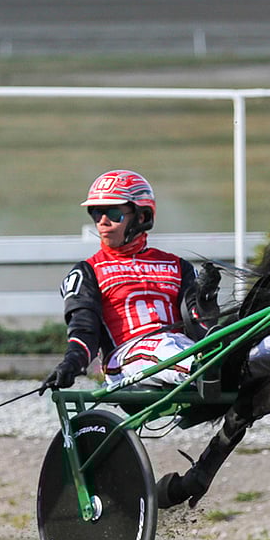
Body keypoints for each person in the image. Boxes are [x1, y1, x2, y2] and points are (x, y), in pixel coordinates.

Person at [42, 169, 221, 508]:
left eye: (113, 213)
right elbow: (83, 332)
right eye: (96, 213)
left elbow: (199, 328)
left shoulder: (177, 266)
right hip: (128, 360)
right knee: (170, 349)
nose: (103, 221)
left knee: (256, 345)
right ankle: (214, 368)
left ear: (141, 216)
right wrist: (70, 363)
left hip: (181, 352)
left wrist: (206, 301)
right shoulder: (88, 271)